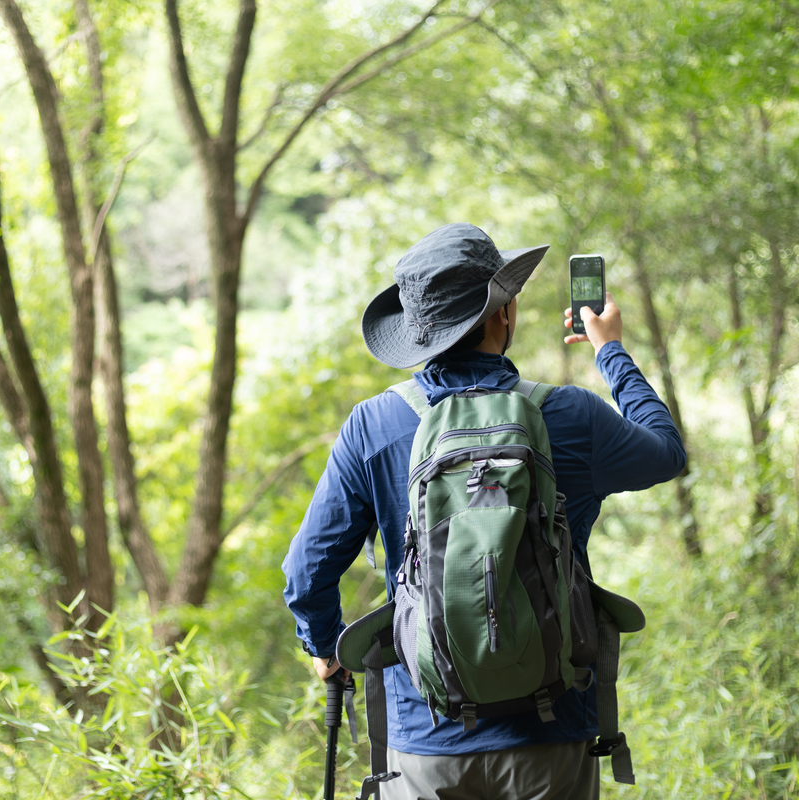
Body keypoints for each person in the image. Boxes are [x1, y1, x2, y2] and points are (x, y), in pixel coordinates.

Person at [282, 222, 686, 799]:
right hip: (553, 729)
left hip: (425, 736)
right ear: (502, 313)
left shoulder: (373, 426)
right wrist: (611, 350)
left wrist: (324, 647)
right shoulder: (569, 415)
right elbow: (667, 452)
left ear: (420, 335)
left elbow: (307, 572)